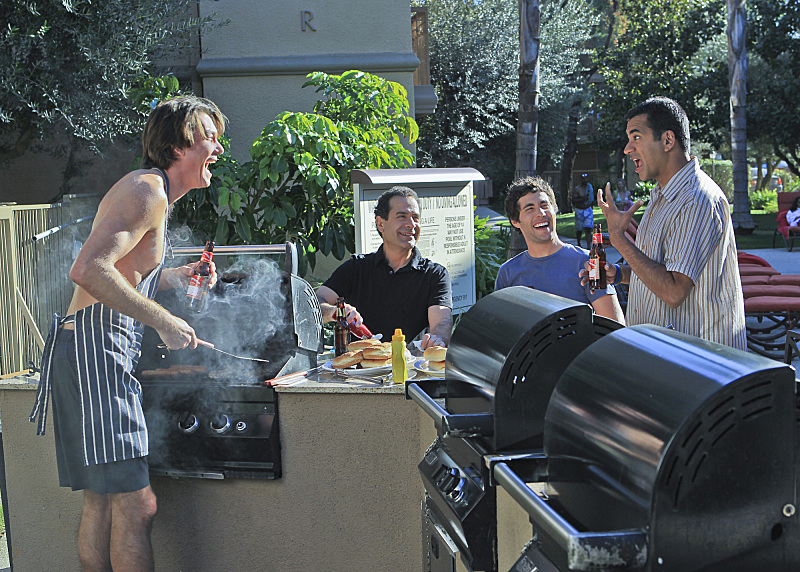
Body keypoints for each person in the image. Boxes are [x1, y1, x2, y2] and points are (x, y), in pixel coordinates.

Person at [28, 96, 226, 571]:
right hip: (97, 349)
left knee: (102, 500)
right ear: (179, 144)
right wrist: (164, 319)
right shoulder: (147, 191)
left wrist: (176, 276)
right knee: (138, 505)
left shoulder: (151, 191)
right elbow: (88, 270)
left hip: (86, 346)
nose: (218, 147)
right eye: (209, 136)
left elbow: (122, 270)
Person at [590, 96, 746, 349]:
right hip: (668, 358)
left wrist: (619, 239)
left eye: (636, 137)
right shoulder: (662, 196)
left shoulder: (696, 200)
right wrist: (618, 274)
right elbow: (659, 270)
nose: (628, 149)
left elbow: (674, 292)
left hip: (700, 364)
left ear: (667, 140)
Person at [316, 186, 452, 349]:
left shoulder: (435, 274)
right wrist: (335, 312)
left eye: (415, 218)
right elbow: (316, 303)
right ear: (380, 224)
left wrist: (437, 340)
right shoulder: (356, 267)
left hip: (411, 369)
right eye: (402, 217)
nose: (411, 224)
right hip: (360, 369)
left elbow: (442, 322)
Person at [495, 176, 625, 323]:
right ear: (515, 221)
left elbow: (615, 327)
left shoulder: (588, 263)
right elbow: (502, 328)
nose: (541, 213)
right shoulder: (508, 272)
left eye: (544, 205)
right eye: (530, 209)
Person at [570, 173, 594, 248]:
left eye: (586, 178)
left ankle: (588, 246)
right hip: (579, 210)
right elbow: (573, 200)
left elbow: (592, 198)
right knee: (579, 229)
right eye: (583, 179)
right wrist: (583, 199)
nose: (585, 180)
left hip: (588, 209)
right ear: (580, 180)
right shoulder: (577, 189)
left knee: (588, 228)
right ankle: (579, 243)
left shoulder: (590, 188)